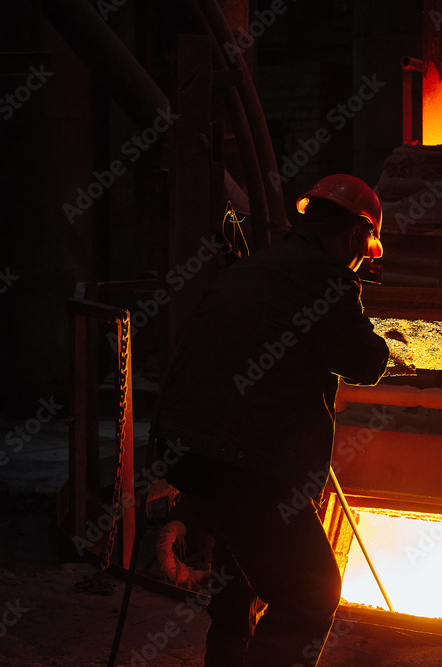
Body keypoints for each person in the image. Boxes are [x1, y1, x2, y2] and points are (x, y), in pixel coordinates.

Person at [152, 174, 391, 666]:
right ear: (354, 238)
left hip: (187, 448)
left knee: (239, 573)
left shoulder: (255, 267)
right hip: (242, 460)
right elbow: (365, 362)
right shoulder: (326, 277)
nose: (360, 265)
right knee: (310, 594)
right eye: (364, 255)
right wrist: (383, 338)